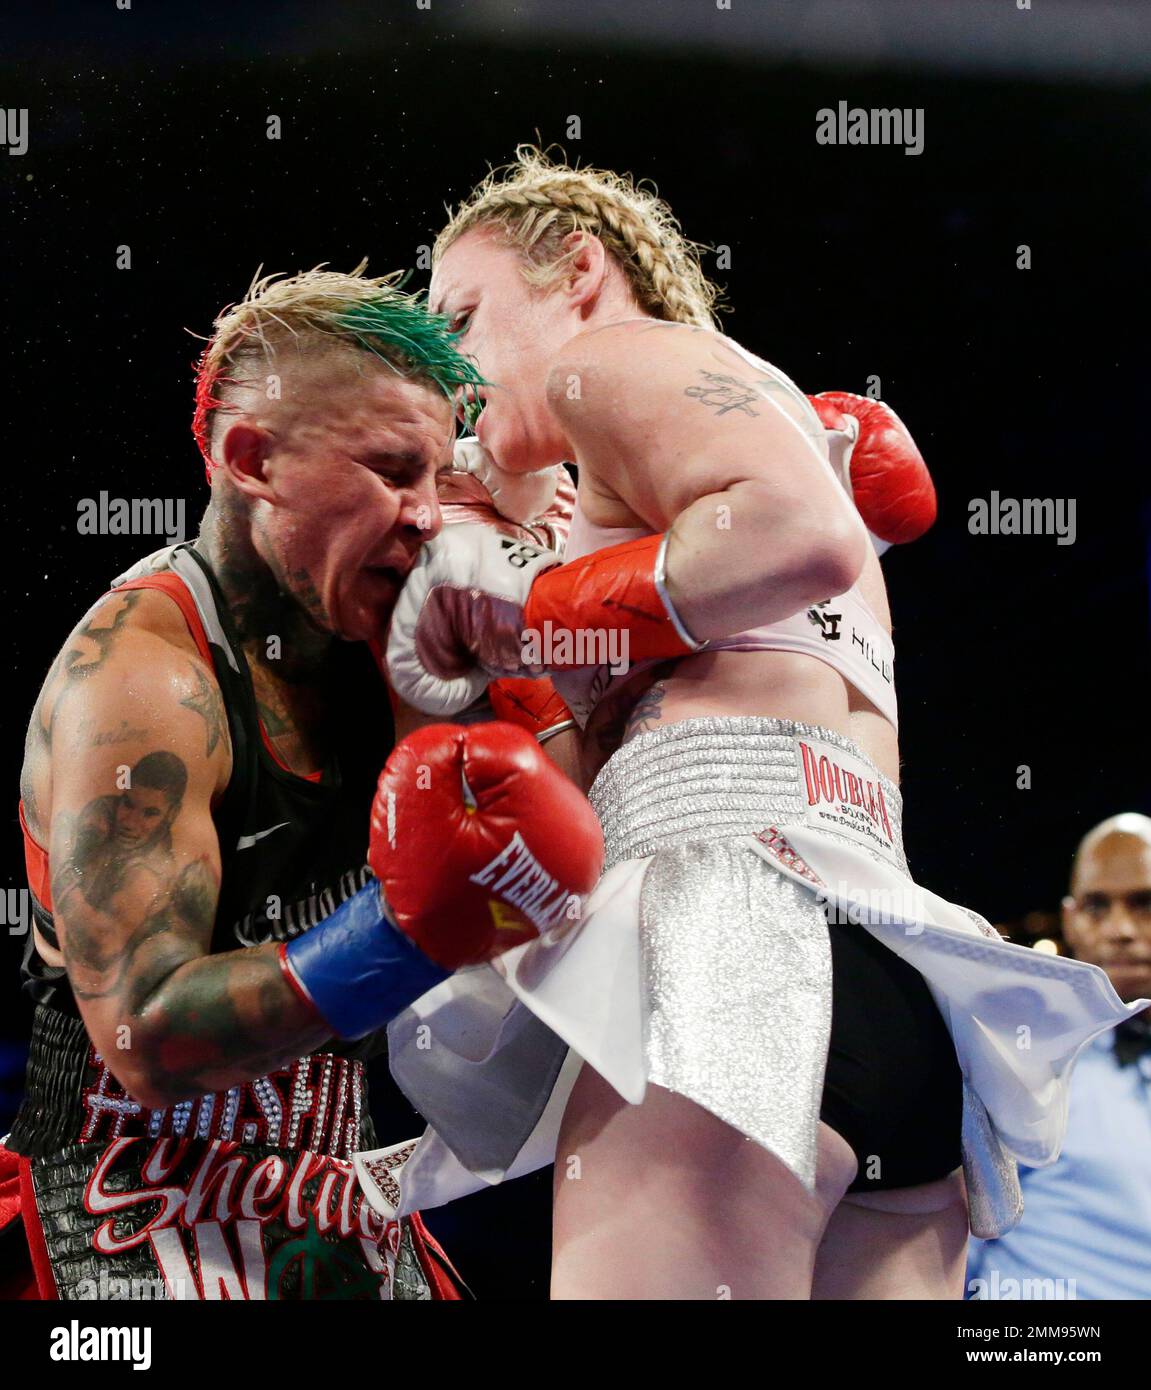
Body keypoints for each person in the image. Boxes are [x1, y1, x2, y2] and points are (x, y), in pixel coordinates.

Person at [360, 147, 1145, 1301]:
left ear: (579, 272)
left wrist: (522, 611)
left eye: (464, 316)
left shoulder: (608, 362)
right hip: (896, 1009)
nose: (453, 367)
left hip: (728, 955)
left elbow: (798, 531)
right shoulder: (683, 475)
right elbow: (591, 804)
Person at [0, 262, 602, 1301]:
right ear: (253, 458)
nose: (424, 515)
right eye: (388, 469)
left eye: (434, 475)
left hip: (334, 1193)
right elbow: (147, 1035)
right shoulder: (145, 679)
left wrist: (537, 674)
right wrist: (408, 933)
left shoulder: (395, 634)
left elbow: (576, 864)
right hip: (123, 1192)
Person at [967, 814, 1151, 1301]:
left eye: (1145, 904)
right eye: (1096, 906)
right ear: (1070, 919)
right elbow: (949, 1249)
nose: (1120, 930)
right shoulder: (1010, 1053)